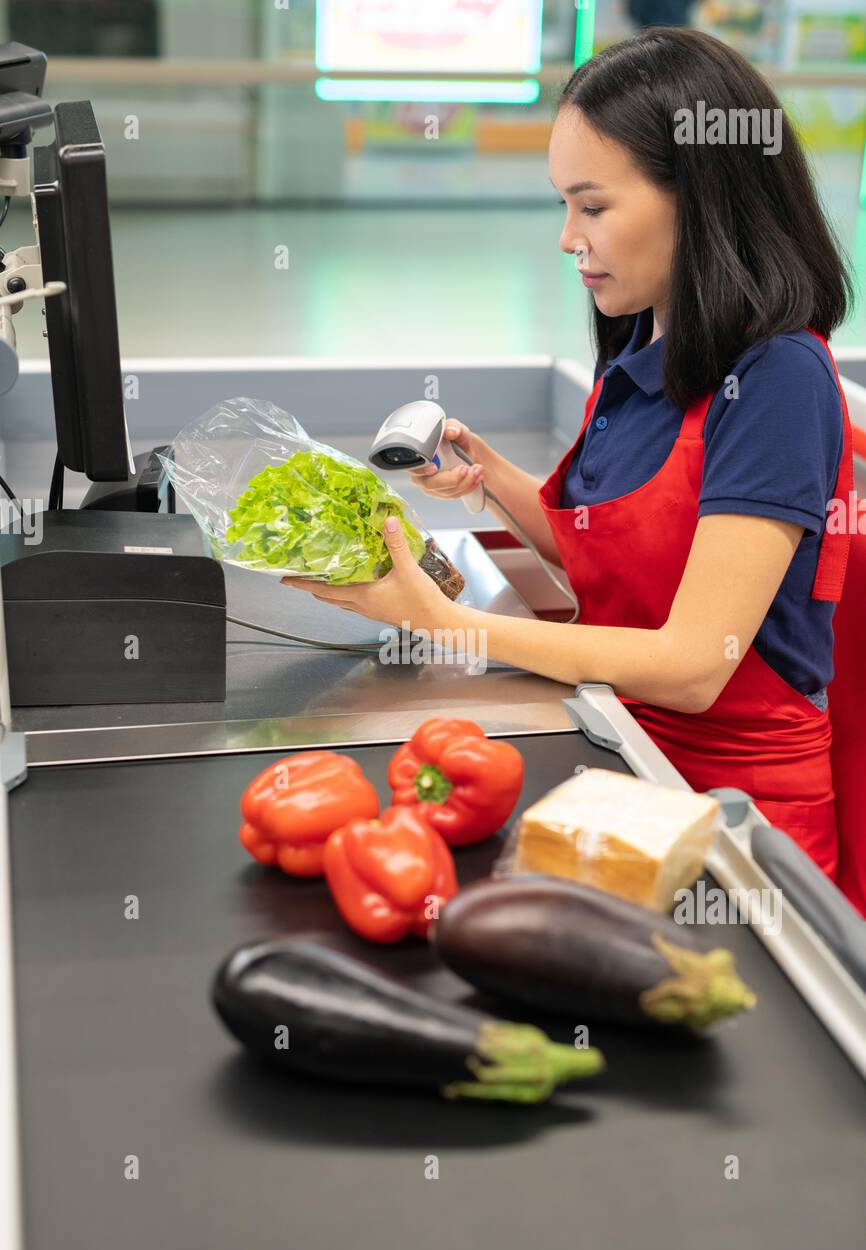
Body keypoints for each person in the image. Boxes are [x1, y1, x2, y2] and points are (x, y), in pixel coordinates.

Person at [283, 28, 856, 884]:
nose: (566, 238)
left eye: (592, 207)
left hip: (738, 816)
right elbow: (611, 551)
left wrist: (442, 624)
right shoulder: (638, 340)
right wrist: (488, 485)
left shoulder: (777, 380)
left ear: (697, 197)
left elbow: (698, 664)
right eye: (563, 205)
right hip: (617, 748)